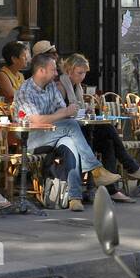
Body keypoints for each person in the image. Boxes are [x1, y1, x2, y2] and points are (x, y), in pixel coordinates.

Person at [13, 51, 120, 211]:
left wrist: (65, 113)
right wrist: (63, 113)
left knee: (70, 143)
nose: (56, 73)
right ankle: (96, 170)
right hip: (31, 138)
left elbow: (64, 110)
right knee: (70, 125)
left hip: (53, 133)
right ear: (41, 71)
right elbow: (36, 121)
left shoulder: (50, 87)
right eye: (53, 70)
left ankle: (74, 198)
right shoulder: (25, 90)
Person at [59, 54, 140, 202]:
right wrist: (76, 113)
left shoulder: (76, 87)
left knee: (108, 143)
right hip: (69, 134)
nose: (82, 76)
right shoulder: (61, 87)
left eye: (85, 73)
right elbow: (60, 113)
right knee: (107, 128)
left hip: (81, 129)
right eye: (79, 73)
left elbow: (76, 110)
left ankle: (112, 189)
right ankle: (131, 169)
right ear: (68, 71)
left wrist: (86, 111)